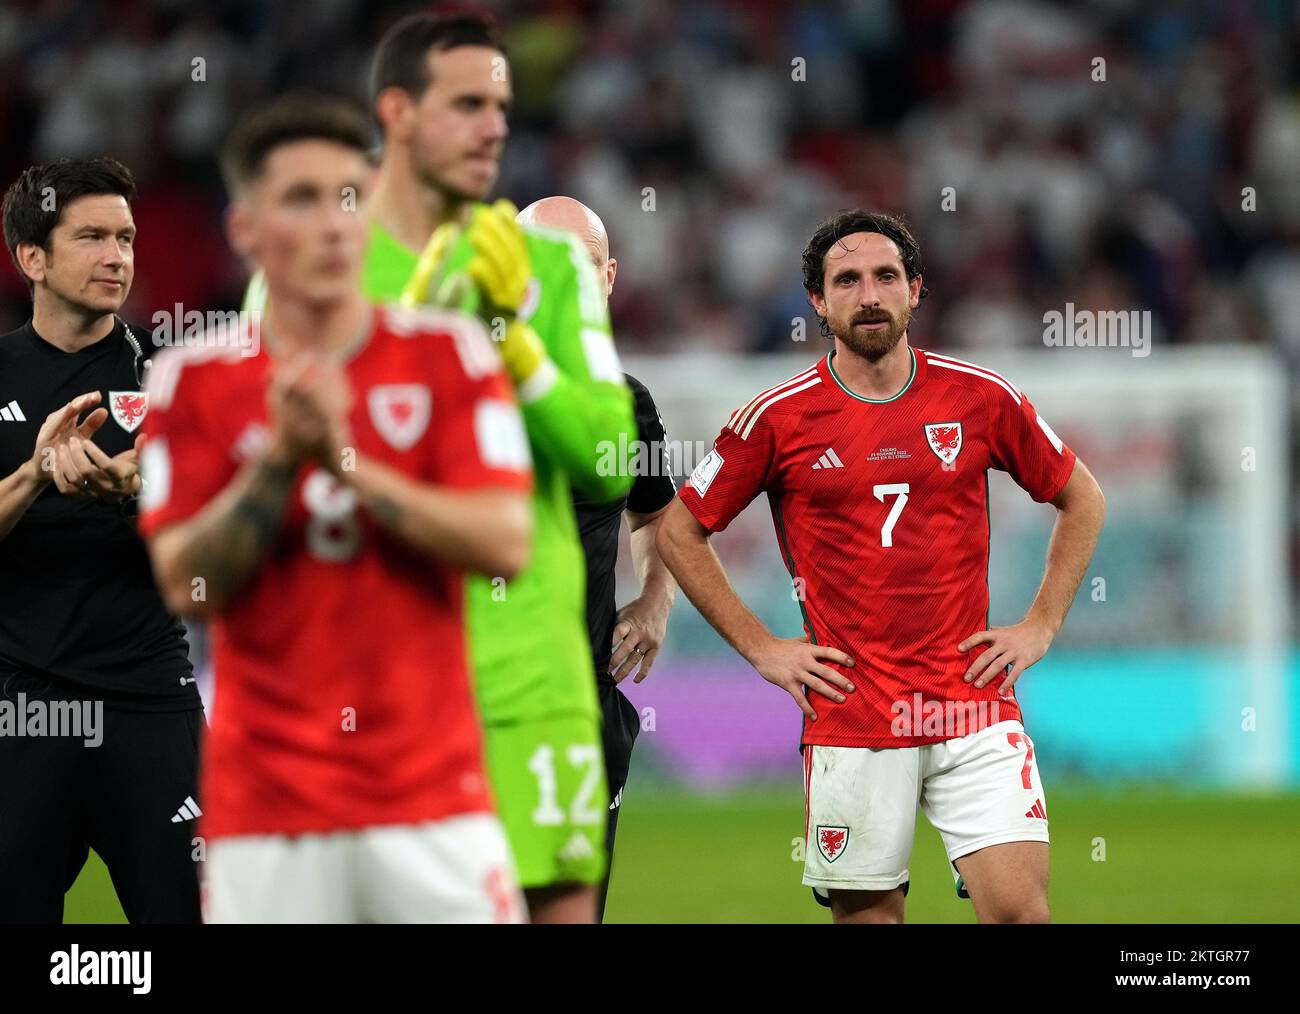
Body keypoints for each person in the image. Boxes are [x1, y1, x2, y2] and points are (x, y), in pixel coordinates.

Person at [138, 92, 531, 923]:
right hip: (267, 813)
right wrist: (281, 459)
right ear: (246, 229)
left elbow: (504, 543)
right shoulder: (193, 380)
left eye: (349, 198)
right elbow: (185, 583)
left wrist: (347, 463)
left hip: (435, 801)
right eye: (301, 199)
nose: (332, 224)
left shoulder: (448, 354)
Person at [656, 210, 1106, 924]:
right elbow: (680, 530)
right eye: (847, 280)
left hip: (972, 704)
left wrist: (1041, 625)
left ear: (915, 289)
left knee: (1023, 914)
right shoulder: (775, 418)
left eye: (886, 276)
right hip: (852, 716)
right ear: (817, 300)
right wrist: (762, 648)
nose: (869, 295)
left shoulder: (980, 397)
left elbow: (1082, 498)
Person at [332, 10, 634, 923]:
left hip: (535, 678)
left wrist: (514, 340)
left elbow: (610, 464)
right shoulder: (321, 267)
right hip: (382, 679)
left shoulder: (548, 264)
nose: (496, 127)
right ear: (398, 112)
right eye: (468, 105)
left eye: (501, 106)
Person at [0, 156, 201, 923]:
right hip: (21, 704)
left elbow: (227, 533)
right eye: (92, 237)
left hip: (150, 699)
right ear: (33, 258)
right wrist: (35, 475)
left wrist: (141, 493)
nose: (118, 256)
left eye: (126, 238)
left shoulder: (178, 376)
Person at [517, 196, 678, 922]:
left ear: (608, 277)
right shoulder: (455, 386)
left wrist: (654, 600)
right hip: (462, 704)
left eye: (578, 265)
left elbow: (658, 514)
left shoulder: (625, 403)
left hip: (582, 706)